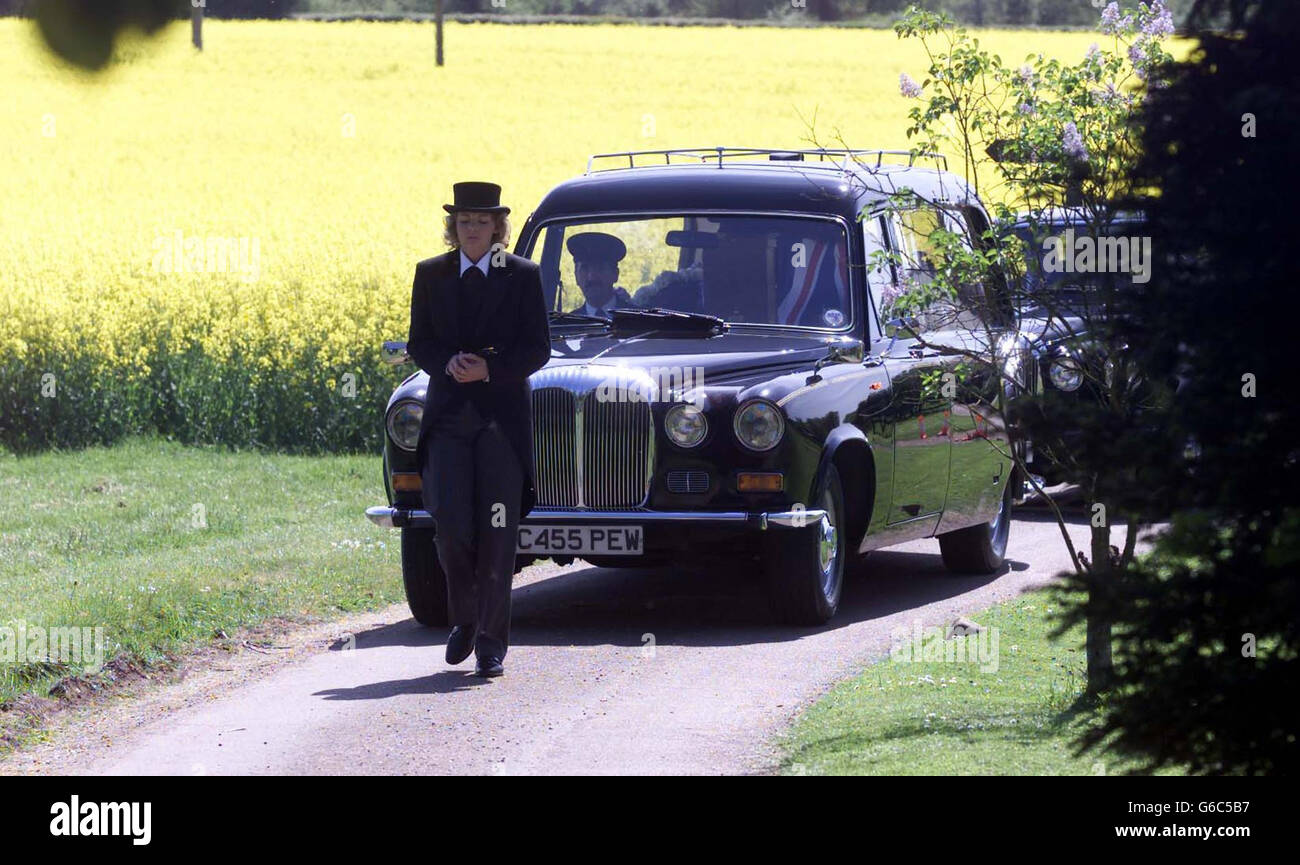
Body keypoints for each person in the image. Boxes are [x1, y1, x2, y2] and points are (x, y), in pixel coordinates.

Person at [405, 181, 551, 678]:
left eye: (482, 221)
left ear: (497, 228)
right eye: (464, 221)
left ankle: (491, 642)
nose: (472, 229)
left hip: (501, 424)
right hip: (447, 421)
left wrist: (489, 371)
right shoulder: (430, 274)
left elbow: (538, 351)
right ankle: (464, 618)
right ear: (454, 226)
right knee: (449, 525)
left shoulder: (524, 276)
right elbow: (419, 343)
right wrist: (447, 363)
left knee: (497, 531)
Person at [565, 231, 637, 318]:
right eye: (585, 268)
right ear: (576, 276)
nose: (591, 277)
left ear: (615, 274)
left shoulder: (637, 320)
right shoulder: (568, 325)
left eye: (600, 268)